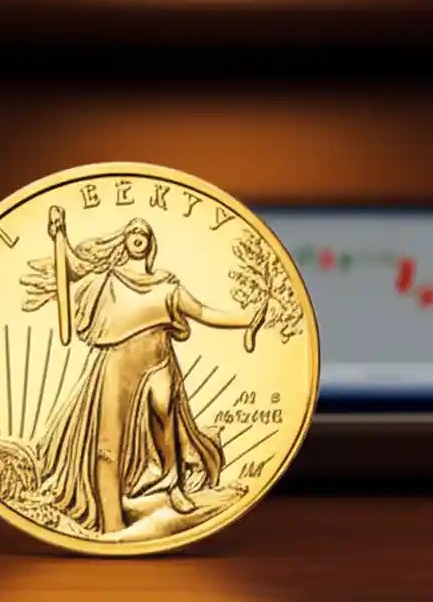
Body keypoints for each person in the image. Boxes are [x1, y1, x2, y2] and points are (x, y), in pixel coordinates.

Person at [20, 216, 263, 535]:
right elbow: (73, 267)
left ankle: (170, 484)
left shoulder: (167, 284)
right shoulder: (108, 278)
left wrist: (248, 319)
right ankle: (111, 523)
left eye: (143, 233)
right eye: (132, 231)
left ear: (150, 244)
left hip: (159, 360)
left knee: (166, 416)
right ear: (124, 239)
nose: (138, 236)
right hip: (116, 364)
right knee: (108, 442)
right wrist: (61, 234)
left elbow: (203, 313)